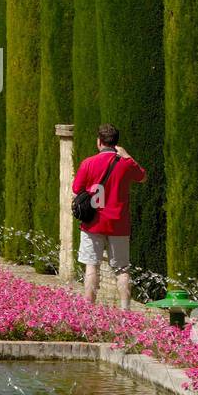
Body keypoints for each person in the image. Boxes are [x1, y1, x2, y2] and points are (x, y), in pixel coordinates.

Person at [73, 123, 147, 310]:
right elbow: (143, 176)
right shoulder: (124, 163)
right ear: (116, 143)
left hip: (92, 223)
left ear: (99, 142)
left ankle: (88, 308)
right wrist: (127, 155)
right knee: (122, 268)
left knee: (91, 265)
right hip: (119, 224)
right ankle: (125, 310)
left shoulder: (88, 163)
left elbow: (76, 190)